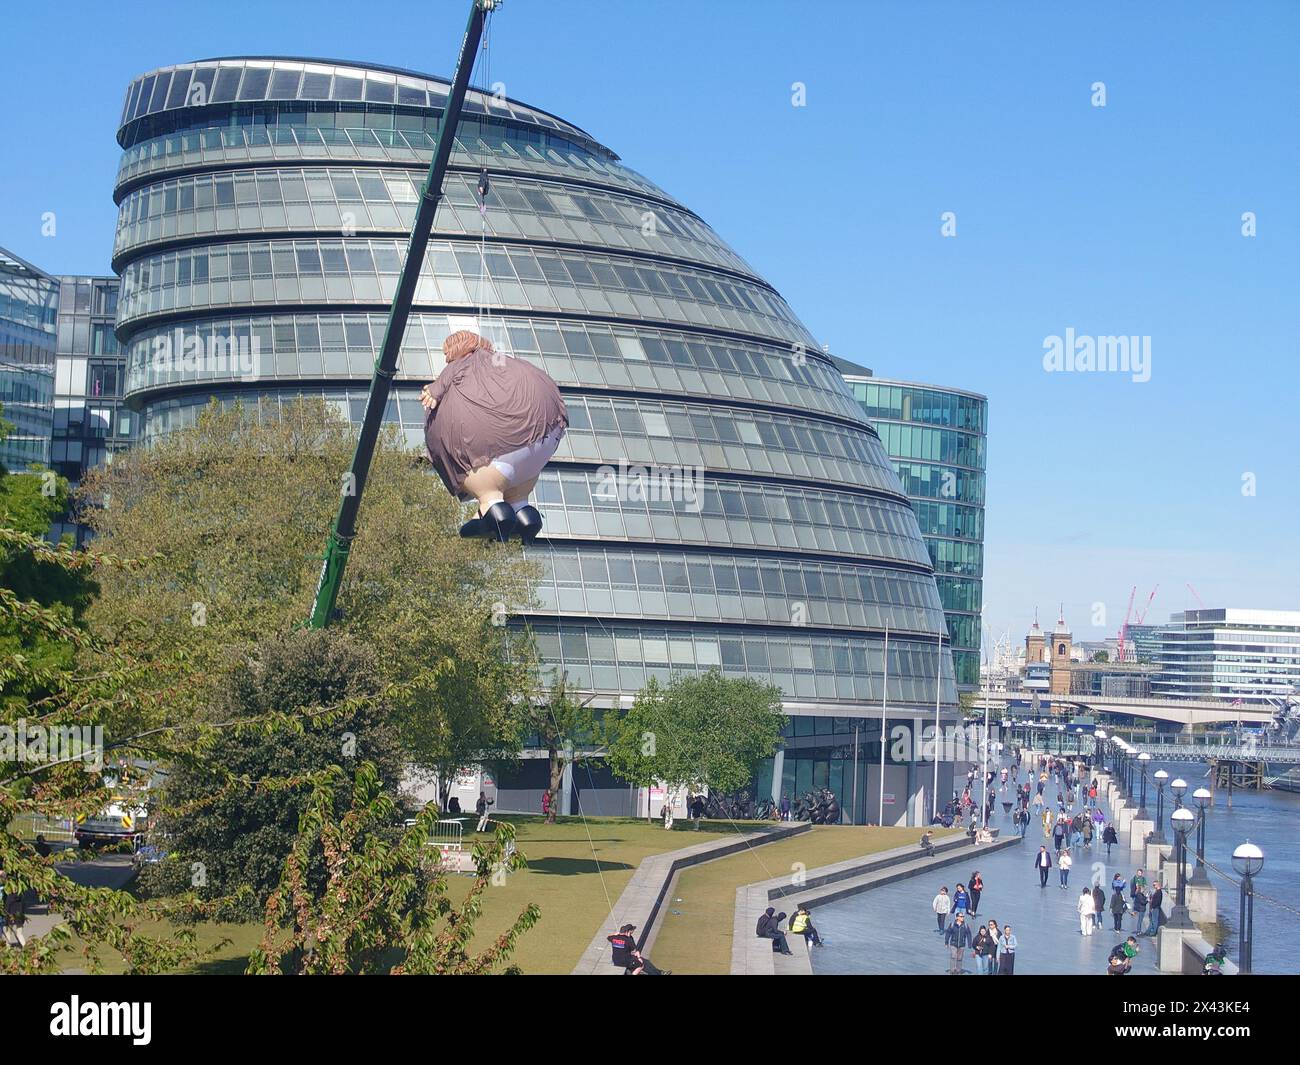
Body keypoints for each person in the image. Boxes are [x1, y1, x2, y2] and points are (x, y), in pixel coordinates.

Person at [422, 330, 569, 542]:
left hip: (494, 450)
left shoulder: (464, 363)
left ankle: (490, 508)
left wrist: (433, 392)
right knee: (517, 493)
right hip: (543, 441)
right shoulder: (508, 362)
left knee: (489, 489)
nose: (447, 359)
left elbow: (448, 375)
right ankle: (524, 513)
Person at [0, 872, 25, 949]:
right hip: (19, 915)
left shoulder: (9, 897)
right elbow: (24, 907)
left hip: (10, 915)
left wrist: (5, 914)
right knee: (19, 933)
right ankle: (25, 946)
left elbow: (7, 907)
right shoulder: (21, 895)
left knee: (8, 933)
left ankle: (8, 948)